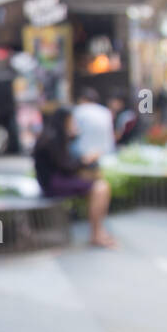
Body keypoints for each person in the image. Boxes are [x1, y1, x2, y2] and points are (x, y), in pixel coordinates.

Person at [32, 106, 117, 248]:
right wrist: (86, 160)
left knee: (99, 185)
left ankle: (99, 232)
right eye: (72, 121)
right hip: (53, 184)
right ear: (65, 121)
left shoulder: (52, 135)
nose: (74, 124)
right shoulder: (53, 138)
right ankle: (96, 234)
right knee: (100, 188)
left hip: (53, 181)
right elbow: (66, 166)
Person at [72, 88, 115, 160]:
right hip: (106, 153)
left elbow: (73, 131)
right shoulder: (106, 111)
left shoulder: (79, 110)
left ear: (82, 99)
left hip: (83, 154)